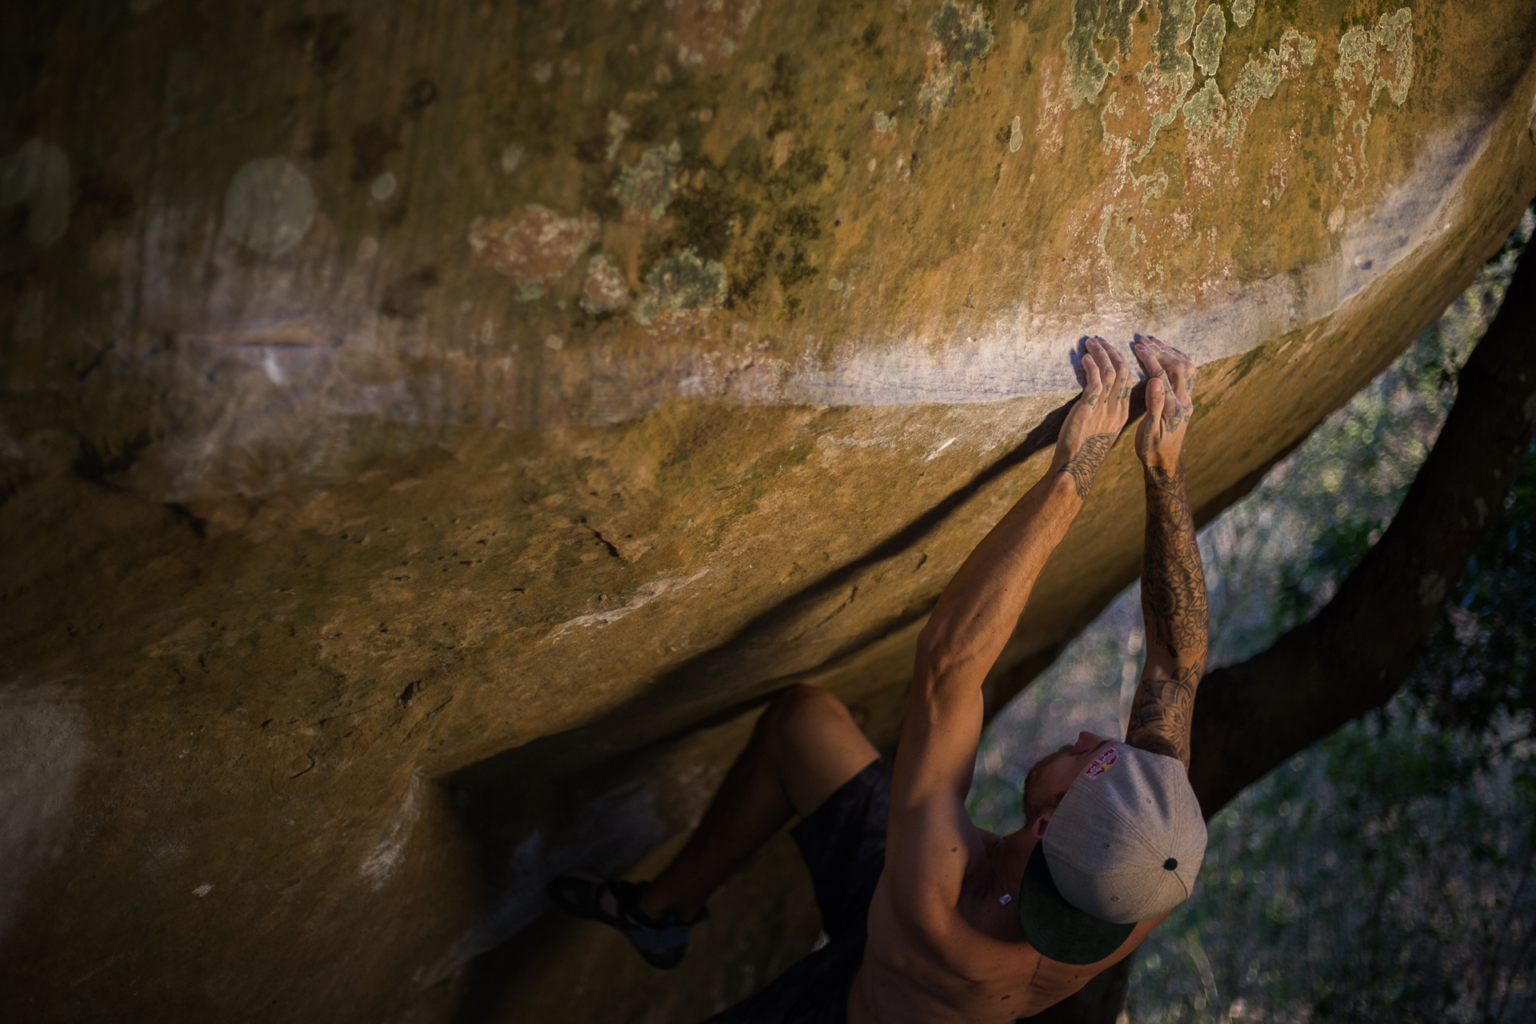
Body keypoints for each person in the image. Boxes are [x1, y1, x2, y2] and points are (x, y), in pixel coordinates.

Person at [549, 335, 1209, 1022]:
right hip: (928, 917)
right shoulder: (1144, 858)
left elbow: (948, 667)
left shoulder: (941, 909)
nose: (1082, 736)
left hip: (859, 1000)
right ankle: (662, 912)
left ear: (1045, 826)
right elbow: (1177, 660)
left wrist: (1074, 471)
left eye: (1085, 761)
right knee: (803, 727)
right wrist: (1164, 468)